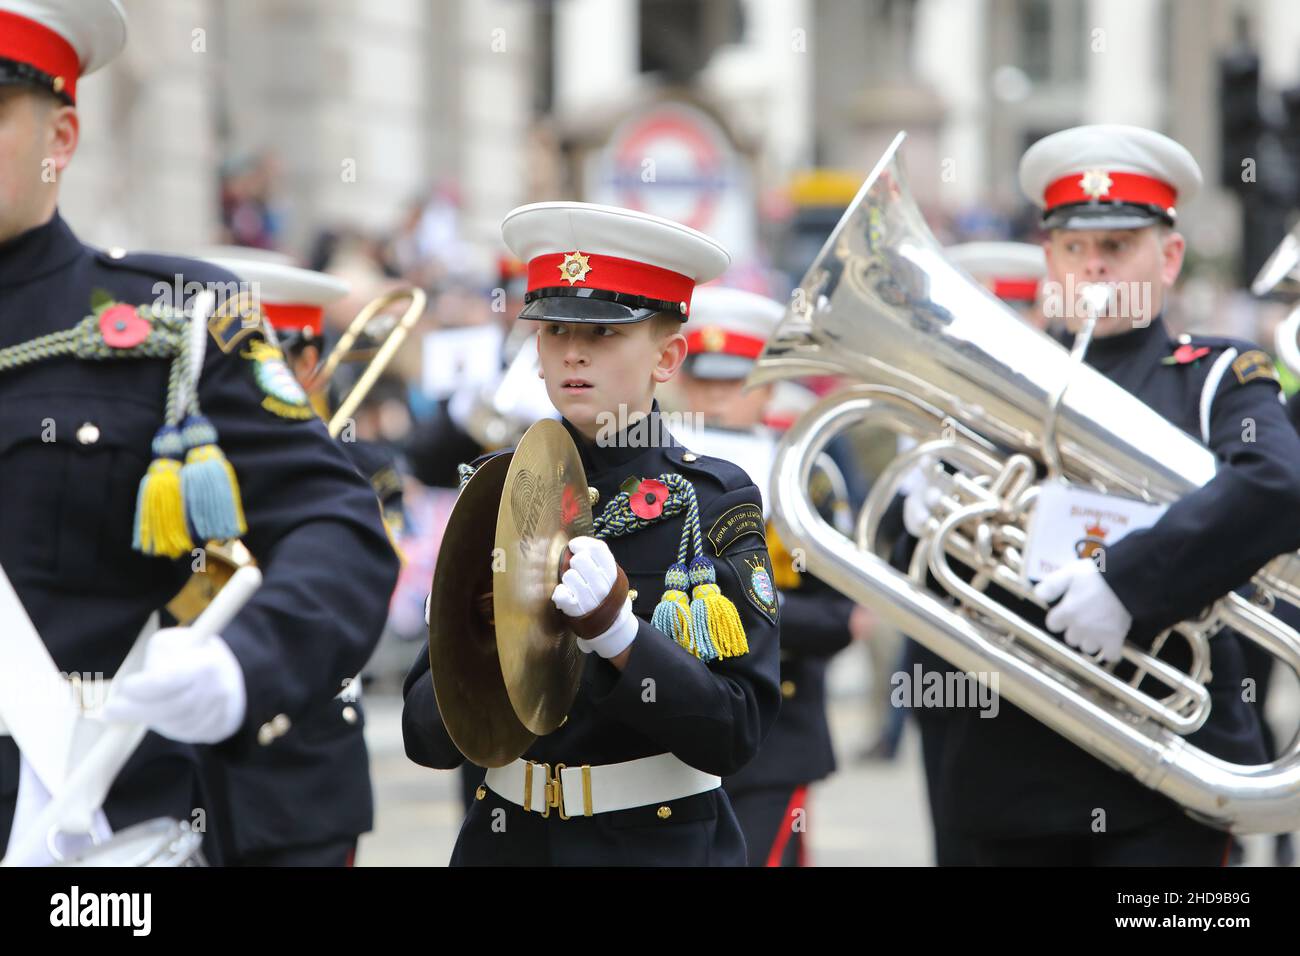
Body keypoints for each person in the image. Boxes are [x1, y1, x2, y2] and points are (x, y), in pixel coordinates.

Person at [0, 0, 398, 864]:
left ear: (59, 139)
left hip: (86, 838)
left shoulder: (174, 323)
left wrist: (241, 667)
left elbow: (337, 529)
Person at [902, 124, 1300, 865]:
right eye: (1072, 249)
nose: (1091, 269)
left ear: (1169, 256)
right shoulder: (995, 386)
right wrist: (916, 517)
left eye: (1116, 248)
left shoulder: (1215, 376)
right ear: (1048, 256)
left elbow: (1279, 485)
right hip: (1002, 783)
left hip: (1162, 789)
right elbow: (926, 590)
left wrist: (1127, 584)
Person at [402, 201, 781, 865]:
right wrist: (482, 639)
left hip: (656, 846)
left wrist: (621, 638)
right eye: (552, 331)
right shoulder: (494, 489)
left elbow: (735, 732)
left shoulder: (711, 501)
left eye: (604, 334)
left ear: (667, 357)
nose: (572, 352)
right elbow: (425, 736)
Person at [191, 254, 390, 866]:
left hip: (304, 770)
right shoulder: (178, 467)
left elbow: (355, 583)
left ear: (306, 364)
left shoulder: (354, 471)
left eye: (261, 360)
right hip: (187, 761)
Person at [674, 286, 861, 866]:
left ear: (766, 392)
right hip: (668, 732)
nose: (715, 399)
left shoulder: (807, 482)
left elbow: (839, 619)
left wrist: (730, 600)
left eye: (733, 384)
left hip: (774, 735)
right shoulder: (652, 472)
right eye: (703, 381)